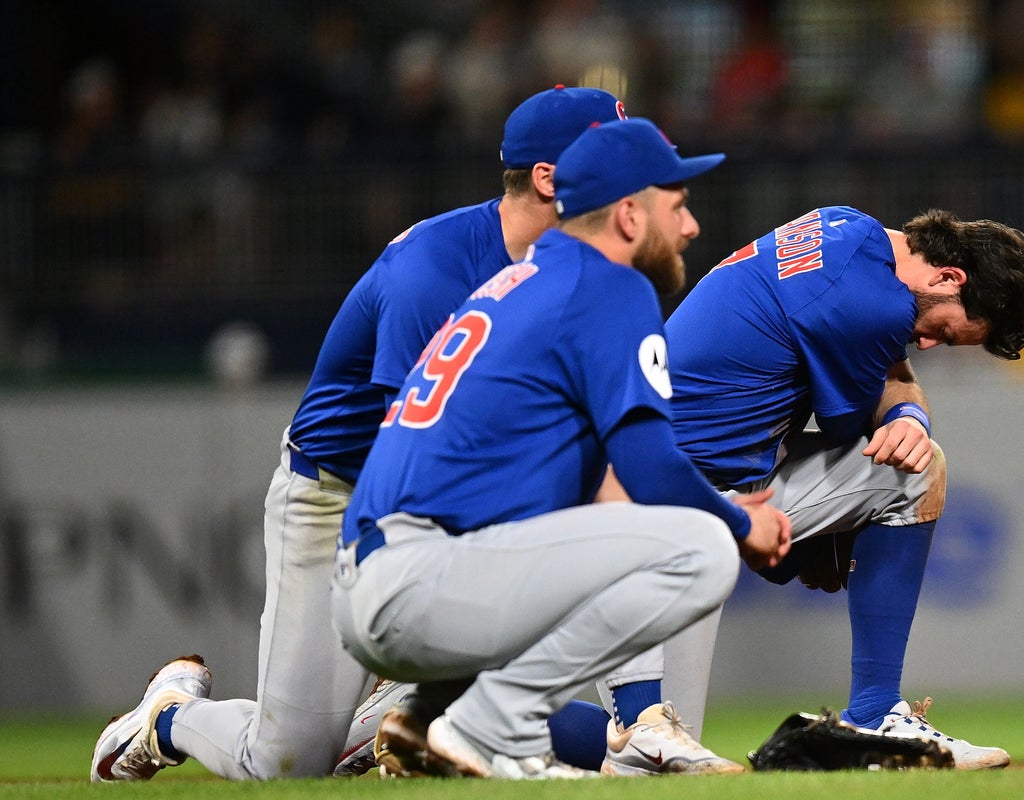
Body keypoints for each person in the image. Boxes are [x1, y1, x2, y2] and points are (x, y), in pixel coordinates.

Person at [90, 85, 630, 783]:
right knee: (284, 765)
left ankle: (412, 710)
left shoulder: (583, 274)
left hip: (453, 504)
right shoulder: (433, 274)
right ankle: (167, 716)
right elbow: (421, 466)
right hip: (340, 498)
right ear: (549, 178)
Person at [329, 117, 792, 780]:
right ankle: (488, 726)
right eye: (679, 206)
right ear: (629, 216)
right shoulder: (608, 286)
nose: (690, 227)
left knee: (606, 523)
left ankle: (441, 720)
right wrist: (743, 522)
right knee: (705, 549)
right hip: (419, 580)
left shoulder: (529, 279)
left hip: (375, 581)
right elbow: (650, 467)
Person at [598, 205, 1024, 770]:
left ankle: (496, 732)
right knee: (914, 468)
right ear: (949, 277)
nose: (926, 346)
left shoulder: (847, 227)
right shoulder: (870, 307)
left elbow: (889, 382)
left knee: (654, 745)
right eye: (944, 333)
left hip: (676, 480)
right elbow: (864, 418)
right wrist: (824, 538)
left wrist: (909, 419)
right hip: (665, 500)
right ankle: (871, 715)